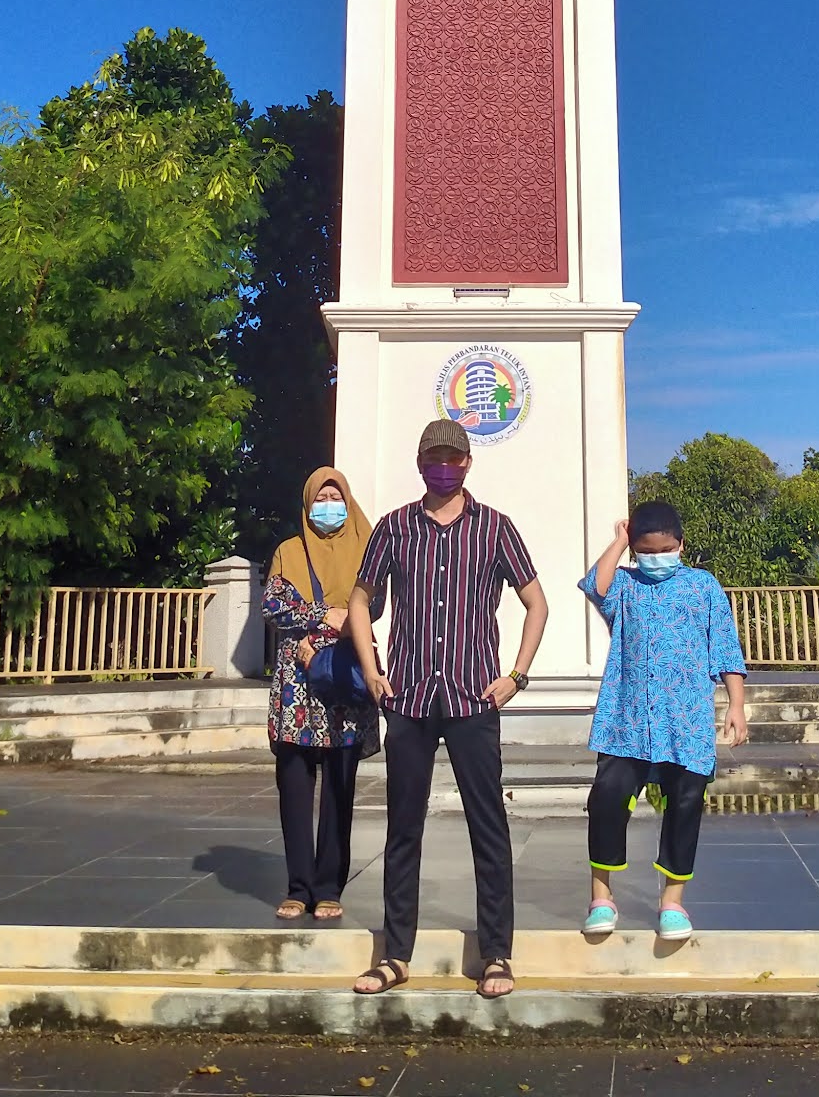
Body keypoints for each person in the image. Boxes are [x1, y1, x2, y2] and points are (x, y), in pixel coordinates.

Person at [346, 418, 548, 1001]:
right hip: (407, 699)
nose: (444, 465)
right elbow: (361, 601)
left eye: (453, 457)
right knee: (402, 828)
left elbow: (536, 602)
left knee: (489, 827)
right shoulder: (393, 528)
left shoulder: (495, 528)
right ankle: (396, 954)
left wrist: (515, 676)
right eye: (434, 456)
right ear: (420, 462)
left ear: (467, 463)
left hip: (472, 700)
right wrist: (371, 671)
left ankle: (497, 954)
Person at [578, 500, 748, 940]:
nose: (657, 559)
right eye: (646, 551)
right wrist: (618, 541)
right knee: (607, 800)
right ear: (635, 550)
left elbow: (725, 646)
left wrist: (736, 704)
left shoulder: (703, 587)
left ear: (682, 545)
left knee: (686, 805)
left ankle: (673, 903)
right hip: (626, 720)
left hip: (684, 722)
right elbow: (596, 586)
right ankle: (601, 897)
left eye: (667, 549)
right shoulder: (626, 587)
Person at [262, 467, 381, 921]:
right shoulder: (288, 551)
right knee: (293, 784)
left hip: (346, 677)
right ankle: (298, 886)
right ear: (307, 503)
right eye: (320, 497)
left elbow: (378, 601)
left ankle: (329, 886)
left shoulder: (366, 547)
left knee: (339, 786)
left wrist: (342, 619)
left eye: (336, 496)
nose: (328, 505)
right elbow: (274, 605)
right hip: (296, 685)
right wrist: (324, 615)